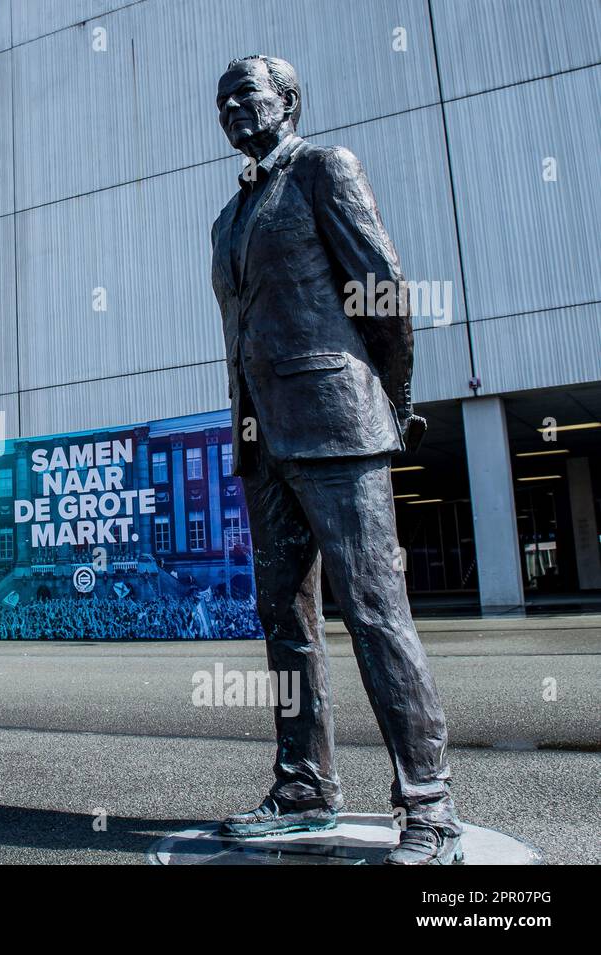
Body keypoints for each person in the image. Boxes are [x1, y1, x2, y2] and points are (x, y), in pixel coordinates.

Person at [209, 54, 461, 864]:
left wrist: (394, 398)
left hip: (337, 421)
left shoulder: (324, 170)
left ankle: (428, 803)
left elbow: (380, 288)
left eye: (245, 93)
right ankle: (304, 783)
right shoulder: (227, 219)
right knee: (286, 621)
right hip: (264, 441)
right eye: (221, 102)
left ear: (289, 99)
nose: (232, 108)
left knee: (375, 611)